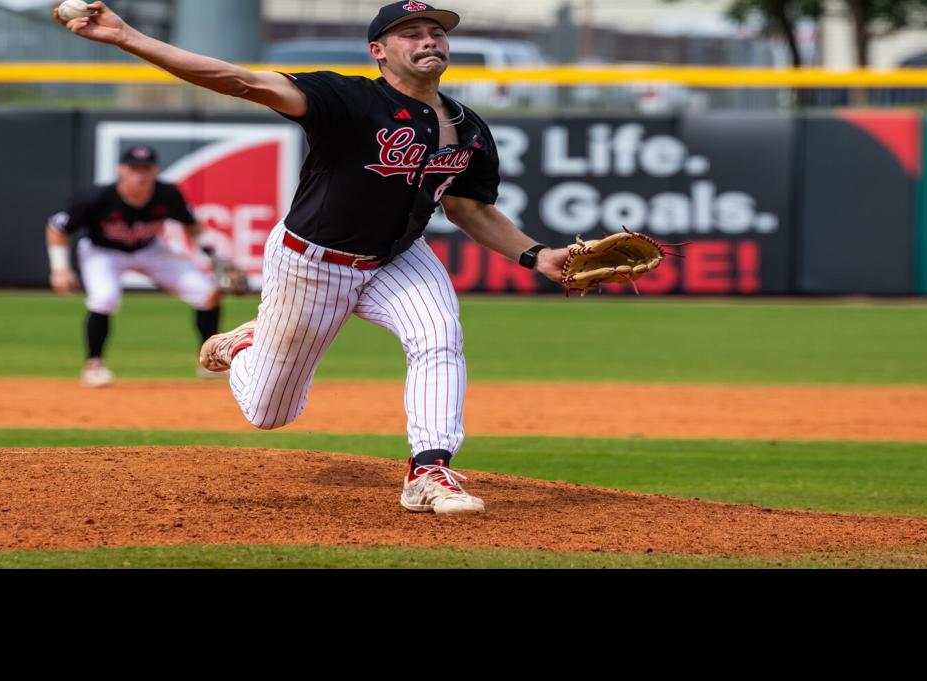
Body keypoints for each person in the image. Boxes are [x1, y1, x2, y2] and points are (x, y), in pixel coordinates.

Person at [56, 1, 569, 514]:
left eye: (435, 32)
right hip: (313, 262)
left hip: (398, 256)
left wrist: (537, 255)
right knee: (270, 412)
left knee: (438, 335)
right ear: (379, 52)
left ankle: (428, 471)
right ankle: (245, 345)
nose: (429, 40)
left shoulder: (469, 127)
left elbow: (467, 208)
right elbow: (238, 81)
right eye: (410, 33)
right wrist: (127, 37)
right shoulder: (346, 98)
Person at [47, 144, 226, 387]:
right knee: (104, 298)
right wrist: (60, 268)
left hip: (149, 249)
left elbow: (193, 226)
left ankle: (209, 362)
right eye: (134, 168)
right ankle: (94, 366)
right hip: (102, 251)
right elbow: (57, 228)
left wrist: (214, 257)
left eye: (146, 168)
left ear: (156, 170)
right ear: (121, 169)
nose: (140, 174)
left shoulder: (168, 194)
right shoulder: (96, 197)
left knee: (206, 292)